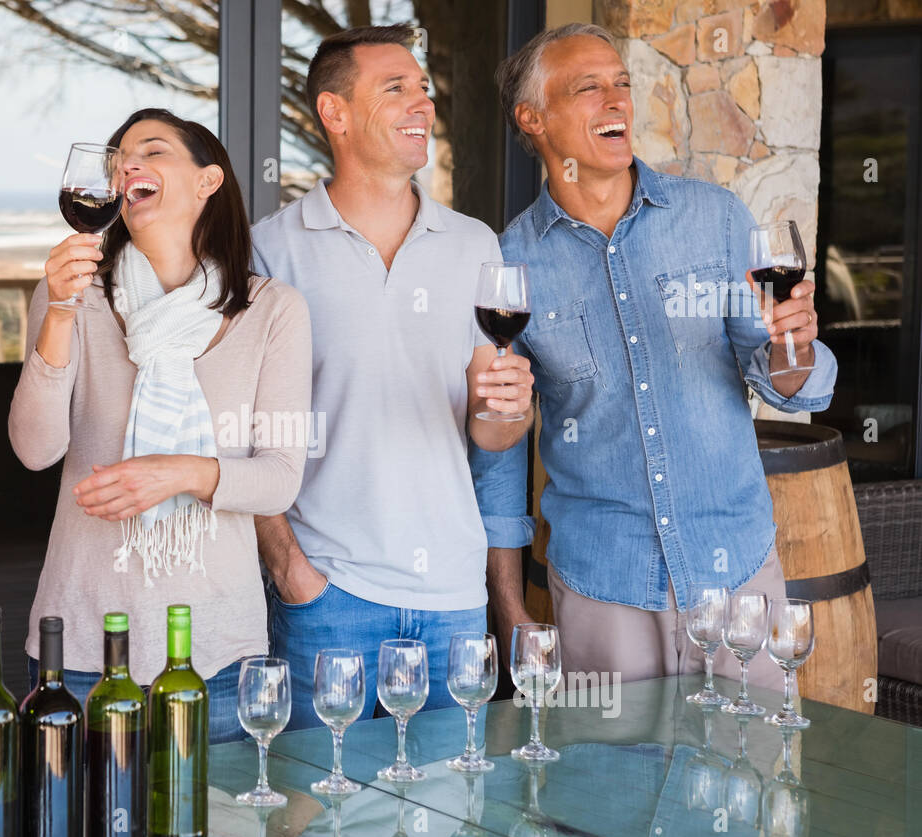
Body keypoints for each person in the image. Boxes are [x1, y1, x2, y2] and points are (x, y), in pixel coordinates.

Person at [494, 23, 836, 689]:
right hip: (604, 588)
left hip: (739, 575)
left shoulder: (716, 219)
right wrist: (507, 606)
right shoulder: (510, 264)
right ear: (532, 119)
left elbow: (785, 381)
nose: (617, 100)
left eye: (621, 83)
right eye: (588, 88)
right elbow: (501, 448)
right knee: (611, 790)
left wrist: (790, 343)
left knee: (759, 779)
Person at [252, 25, 537, 731]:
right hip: (329, 597)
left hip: (453, 598)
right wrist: (292, 572)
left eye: (424, 88)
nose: (423, 103)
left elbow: (492, 433)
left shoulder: (473, 243)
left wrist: (511, 410)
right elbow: (243, 434)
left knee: (451, 824)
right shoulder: (272, 249)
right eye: (396, 88)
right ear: (336, 114)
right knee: (325, 828)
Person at [9, 109, 311, 744]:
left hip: (218, 654)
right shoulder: (71, 296)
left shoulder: (272, 311)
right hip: (82, 645)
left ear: (208, 182)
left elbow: (279, 481)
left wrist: (177, 474)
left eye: (152, 151)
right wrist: (59, 314)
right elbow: (34, 450)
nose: (127, 164)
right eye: (119, 155)